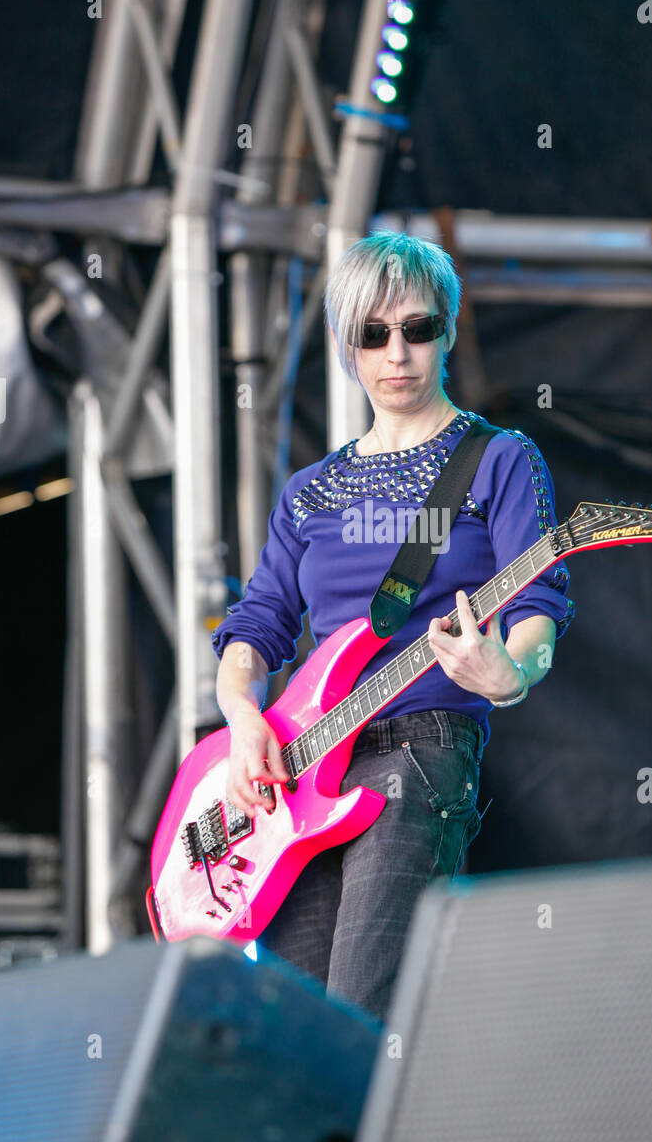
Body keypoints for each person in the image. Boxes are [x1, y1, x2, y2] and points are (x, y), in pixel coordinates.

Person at [212, 229, 574, 1022]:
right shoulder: (311, 491)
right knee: (301, 1029)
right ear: (348, 347)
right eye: (374, 334)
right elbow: (256, 626)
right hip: (303, 779)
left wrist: (512, 675)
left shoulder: (498, 460)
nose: (397, 351)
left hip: (422, 754)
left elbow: (537, 605)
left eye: (417, 328)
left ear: (446, 330)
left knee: (361, 1015)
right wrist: (243, 719)